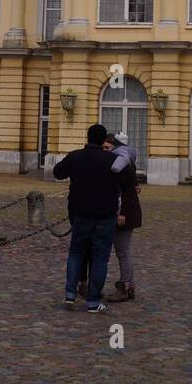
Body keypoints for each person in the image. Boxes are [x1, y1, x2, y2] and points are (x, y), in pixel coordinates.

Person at [54, 123, 122, 313]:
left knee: (76, 253)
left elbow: (57, 173)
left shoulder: (76, 156)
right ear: (103, 141)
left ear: (87, 137)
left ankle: (70, 294)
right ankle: (93, 302)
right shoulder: (112, 159)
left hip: (80, 213)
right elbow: (125, 182)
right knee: (100, 258)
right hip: (104, 215)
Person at [106, 132, 142, 303]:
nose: (105, 151)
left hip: (124, 213)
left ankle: (125, 286)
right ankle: (130, 286)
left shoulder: (120, 164)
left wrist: (122, 213)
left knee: (122, 252)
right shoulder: (127, 160)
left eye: (107, 148)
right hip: (127, 211)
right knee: (124, 252)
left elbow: (125, 190)